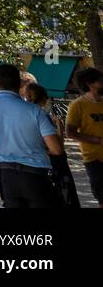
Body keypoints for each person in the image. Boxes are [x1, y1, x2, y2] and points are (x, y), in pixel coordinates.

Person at [0, 63, 65, 208]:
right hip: (36, 174)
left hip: (6, 174)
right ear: (19, 83)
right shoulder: (35, 111)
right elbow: (57, 149)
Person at [66, 66, 103, 206]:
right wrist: (98, 140)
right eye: (100, 80)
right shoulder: (77, 105)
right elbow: (70, 133)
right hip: (94, 159)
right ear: (90, 83)